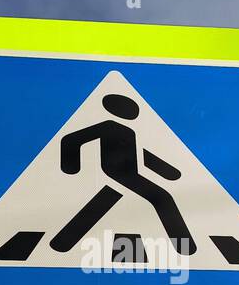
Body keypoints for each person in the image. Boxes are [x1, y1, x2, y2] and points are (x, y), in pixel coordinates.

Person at [50, 94, 196, 255]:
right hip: (117, 173)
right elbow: (72, 140)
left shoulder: (128, 131)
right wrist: (71, 166)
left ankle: (60, 244)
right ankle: (186, 247)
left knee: (101, 204)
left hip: (127, 173)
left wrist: (168, 172)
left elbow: (142, 155)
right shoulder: (108, 126)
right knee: (162, 198)